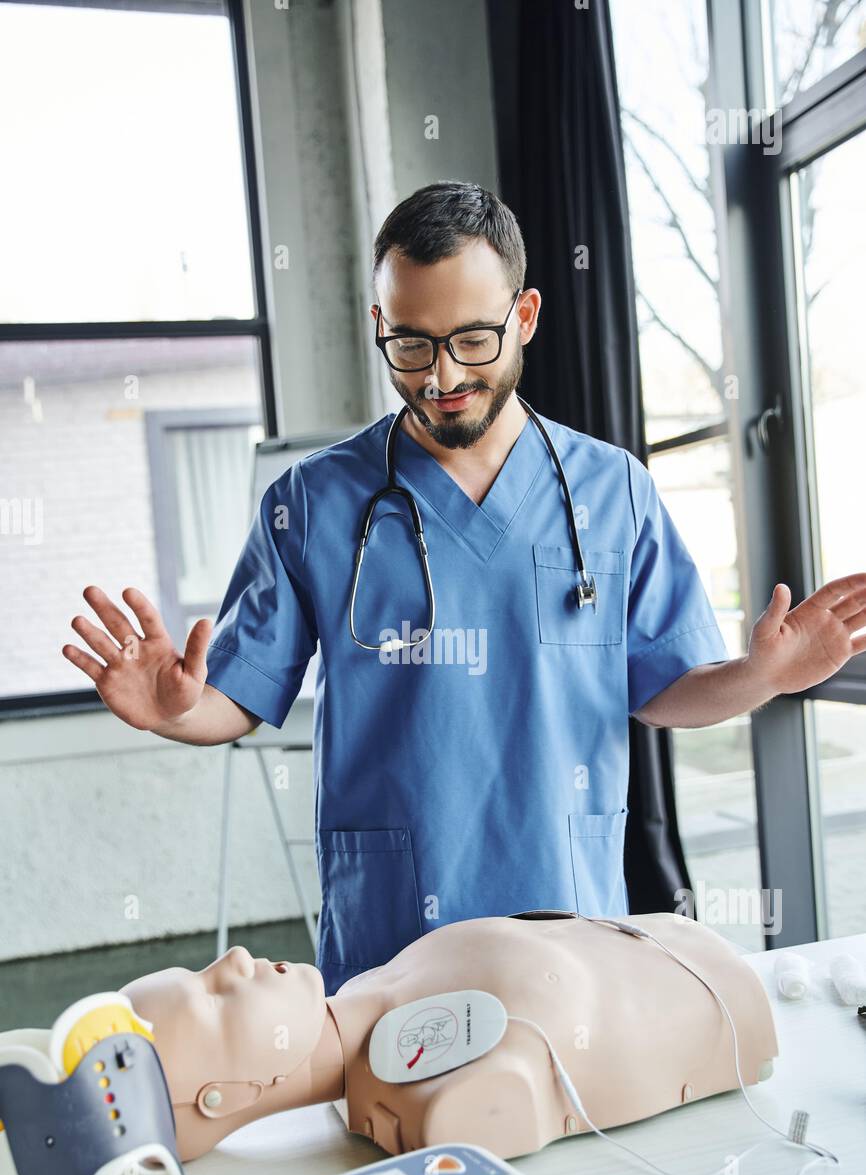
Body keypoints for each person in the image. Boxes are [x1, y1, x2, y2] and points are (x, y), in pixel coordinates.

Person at [62, 182, 866, 994]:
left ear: (524, 317)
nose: (442, 375)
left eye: (473, 339)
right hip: (394, 933)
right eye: (411, 344)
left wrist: (762, 676)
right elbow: (235, 694)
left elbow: (665, 691)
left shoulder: (613, 491)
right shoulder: (311, 503)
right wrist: (176, 711)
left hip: (570, 919)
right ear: (380, 326)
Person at [120, 911, 779, 1163]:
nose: (231, 960)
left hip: (697, 955)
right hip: (730, 1003)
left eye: (203, 971)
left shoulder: (370, 989)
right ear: (218, 1098)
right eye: (209, 996)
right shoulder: (442, 1104)